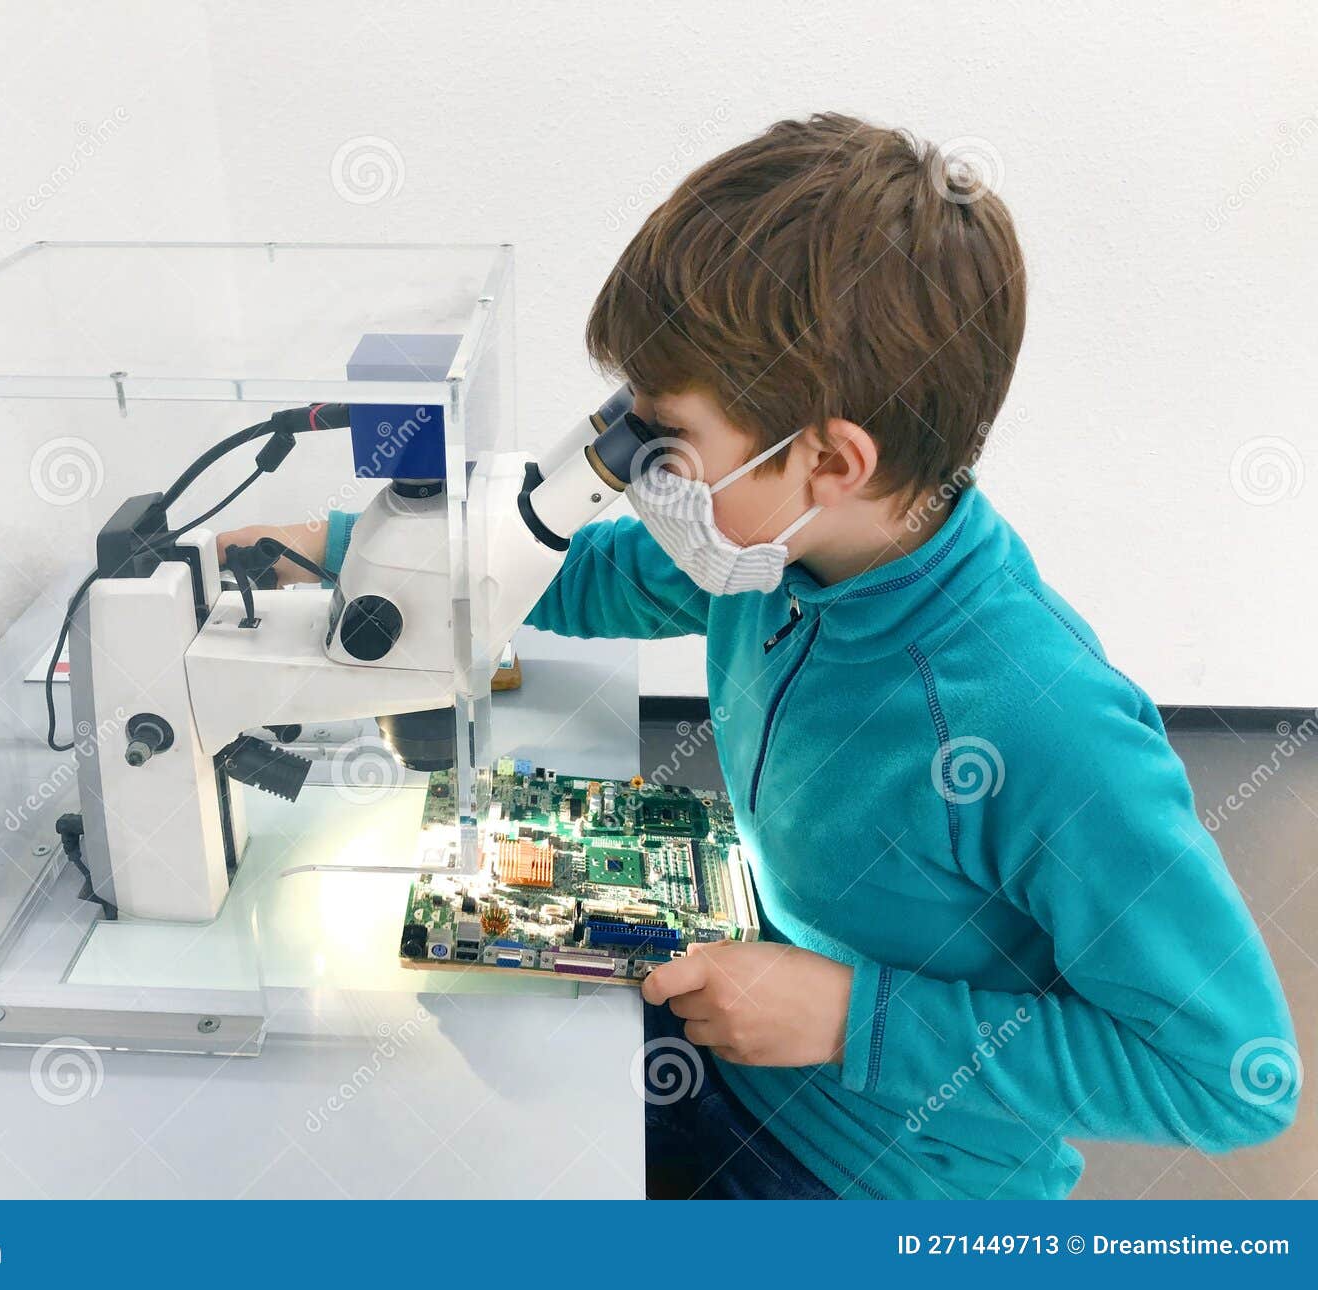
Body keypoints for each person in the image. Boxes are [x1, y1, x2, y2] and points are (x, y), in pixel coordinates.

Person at [221, 114, 1297, 1199]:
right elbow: (589, 571)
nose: (631, 471)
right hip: (735, 1034)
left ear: (828, 458)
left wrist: (846, 1016)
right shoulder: (778, 553)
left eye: (664, 443)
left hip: (872, 1176)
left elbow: (1231, 1082)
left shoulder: (1040, 721)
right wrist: (351, 553)